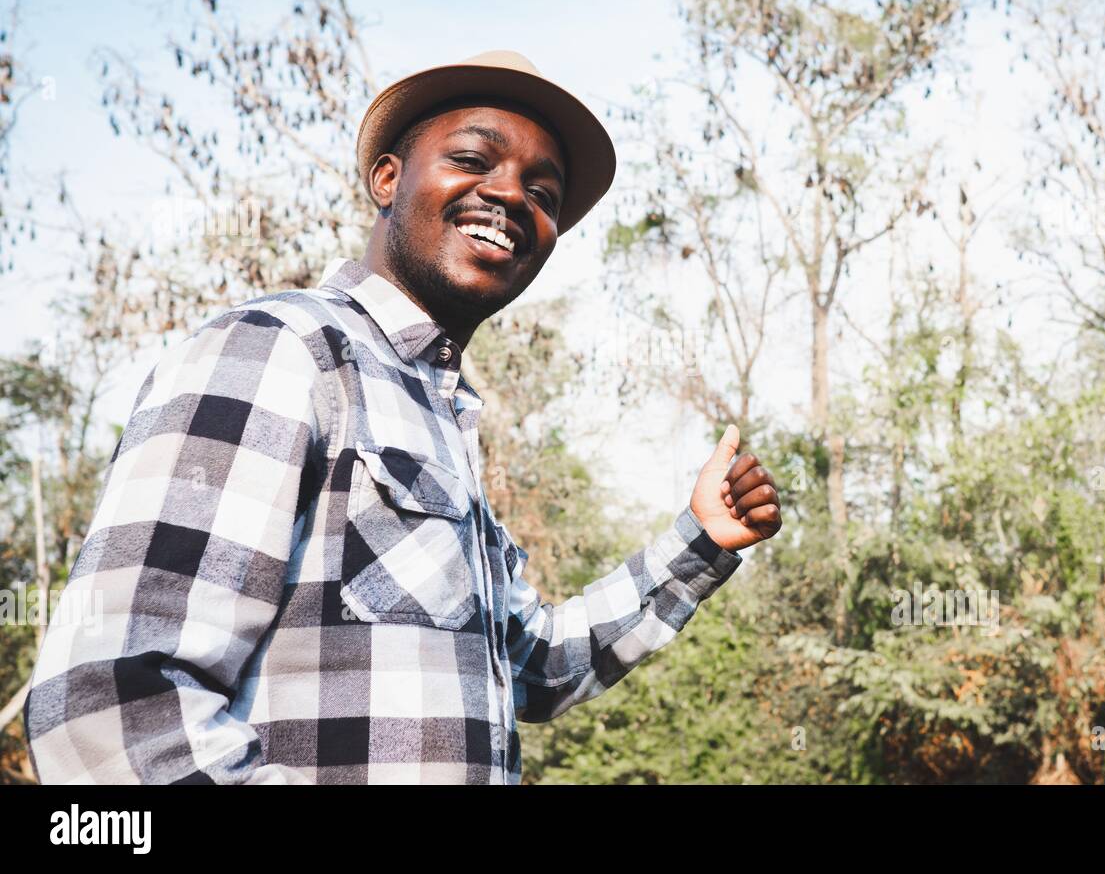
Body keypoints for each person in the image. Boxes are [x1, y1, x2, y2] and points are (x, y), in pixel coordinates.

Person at [23, 50, 783, 784]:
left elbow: (538, 667)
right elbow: (111, 707)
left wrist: (702, 541)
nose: (512, 196)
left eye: (544, 195)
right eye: (474, 160)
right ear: (388, 178)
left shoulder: (441, 421)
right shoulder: (282, 350)